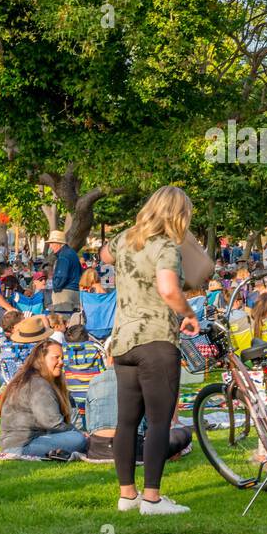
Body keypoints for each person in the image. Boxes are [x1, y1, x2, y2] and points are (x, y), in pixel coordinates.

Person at [100, 185, 199, 515]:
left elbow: (104, 255)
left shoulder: (128, 238)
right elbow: (169, 289)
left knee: (126, 421)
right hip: (156, 338)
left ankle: (127, 495)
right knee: (159, 422)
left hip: (123, 339)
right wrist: (188, 312)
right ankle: (152, 498)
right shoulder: (166, 246)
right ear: (177, 215)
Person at [84, 345, 192, 463]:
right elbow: (153, 424)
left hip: (97, 449)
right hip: (133, 449)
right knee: (184, 433)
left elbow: (90, 425)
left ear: (110, 358)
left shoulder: (94, 381)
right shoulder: (143, 380)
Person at [0, 338, 88, 458]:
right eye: (56, 357)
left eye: (62, 358)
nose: (61, 362)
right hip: (23, 446)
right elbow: (52, 423)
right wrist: (79, 433)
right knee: (78, 439)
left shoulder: (28, 379)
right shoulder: (38, 383)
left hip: (16, 443)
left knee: (77, 437)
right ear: (41, 359)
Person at [47, 230, 82, 312]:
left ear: (58, 243)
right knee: (73, 321)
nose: (50, 246)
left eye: (52, 243)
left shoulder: (63, 256)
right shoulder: (72, 253)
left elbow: (61, 277)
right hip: (75, 292)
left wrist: (56, 287)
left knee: (62, 320)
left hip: (64, 293)